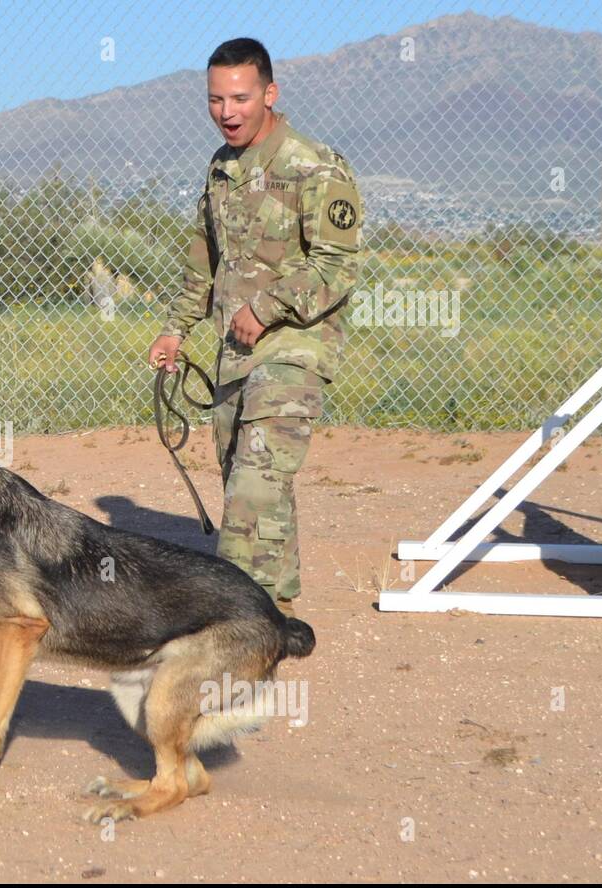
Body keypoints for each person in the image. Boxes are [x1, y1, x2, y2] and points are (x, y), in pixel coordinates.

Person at [148, 38, 365, 617]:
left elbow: (338, 266)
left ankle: (239, 620)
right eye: (216, 99)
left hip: (294, 351)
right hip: (232, 355)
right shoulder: (221, 170)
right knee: (248, 484)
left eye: (240, 97)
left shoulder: (314, 166)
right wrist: (176, 331)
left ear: (269, 93)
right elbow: (204, 266)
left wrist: (267, 309)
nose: (227, 111)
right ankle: (279, 613)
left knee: (255, 485)